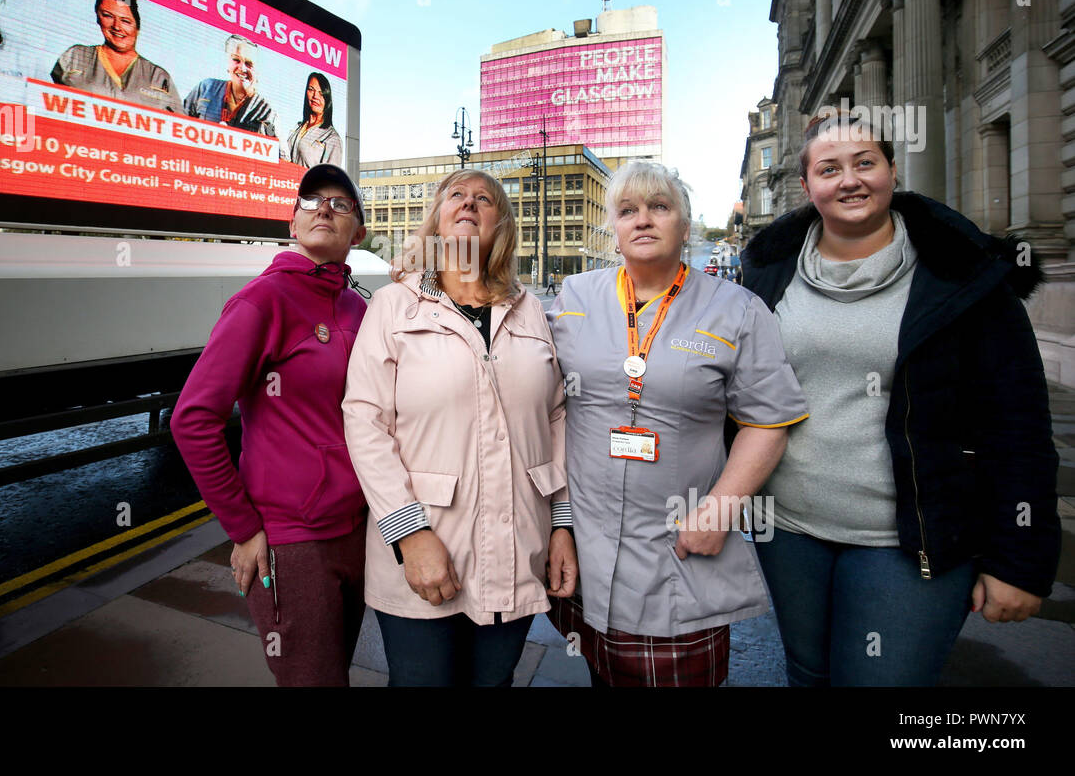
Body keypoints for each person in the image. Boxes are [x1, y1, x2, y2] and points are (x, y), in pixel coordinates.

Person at [740, 111, 1061, 686]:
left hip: (909, 541)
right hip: (789, 530)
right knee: (808, 675)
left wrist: (1021, 561)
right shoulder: (768, 272)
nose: (849, 180)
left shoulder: (961, 276)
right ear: (809, 185)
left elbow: (1017, 426)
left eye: (865, 162)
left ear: (892, 169)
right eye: (829, 168)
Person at [547, 161, 808, 687]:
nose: (643, 220)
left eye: (659, 207)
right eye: (628, 211)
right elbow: (543, 399)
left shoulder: (736, 308)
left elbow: (768, 421)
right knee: (602, 675)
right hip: (588, 546)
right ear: (614, 229)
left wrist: (721, 508)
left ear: (685, 227)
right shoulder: (574, 297)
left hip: (681, 547)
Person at [342, 169, 577, 686]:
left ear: (501, 226)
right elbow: (364, 421)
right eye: (456, 196)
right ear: (438, 218)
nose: (469, 204)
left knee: (493, 682)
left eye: (484, 200)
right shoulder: (394, 306)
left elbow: (556, 417)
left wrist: (562, 525)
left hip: (517, 547)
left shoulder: (531, 309)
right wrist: (411, 535)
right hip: (425, 548)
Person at [170, 164, 370, 686]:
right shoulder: (263, 301)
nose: (324, 208)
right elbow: (192, 420)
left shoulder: (361, 308)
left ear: (359, 232)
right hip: (292, 542)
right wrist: (243, 528)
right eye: (311, 201)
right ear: (292, 224)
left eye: (340, 204)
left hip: (359, 534)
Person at [50, 0, 180, 111]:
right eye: (108, 16)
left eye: (125, 21)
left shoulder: (157, 76)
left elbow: (179, 125)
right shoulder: (75, 57)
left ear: (137, 26)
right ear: (98, 18)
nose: (117, 27)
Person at [184, 34, 276, 136]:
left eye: (248, 63)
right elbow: (179, 121)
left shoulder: (267, 111)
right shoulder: (206, 88)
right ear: (228, 62)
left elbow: (279, 149)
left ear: (257, 71)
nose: (242, 68)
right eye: (236, 60)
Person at [284, 72, 343, 167]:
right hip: (288, 181)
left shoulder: (332, 139)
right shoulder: (298, 128)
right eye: (311, 90)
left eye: (321, 93)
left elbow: (329, 179)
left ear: (327, 99)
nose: (315, 96)